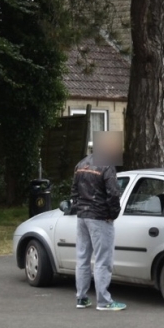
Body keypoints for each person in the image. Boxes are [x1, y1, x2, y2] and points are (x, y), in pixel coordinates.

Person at [71, 132, 126, 311]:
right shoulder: (107, 167)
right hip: (100, 217)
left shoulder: (81, 164)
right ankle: (103, 301)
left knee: (82, 258)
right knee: (103, 260)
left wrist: (79, 208)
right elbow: (113, 194)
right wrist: (113, 214)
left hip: (83, 217)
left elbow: (74, 191)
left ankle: (81, 297)